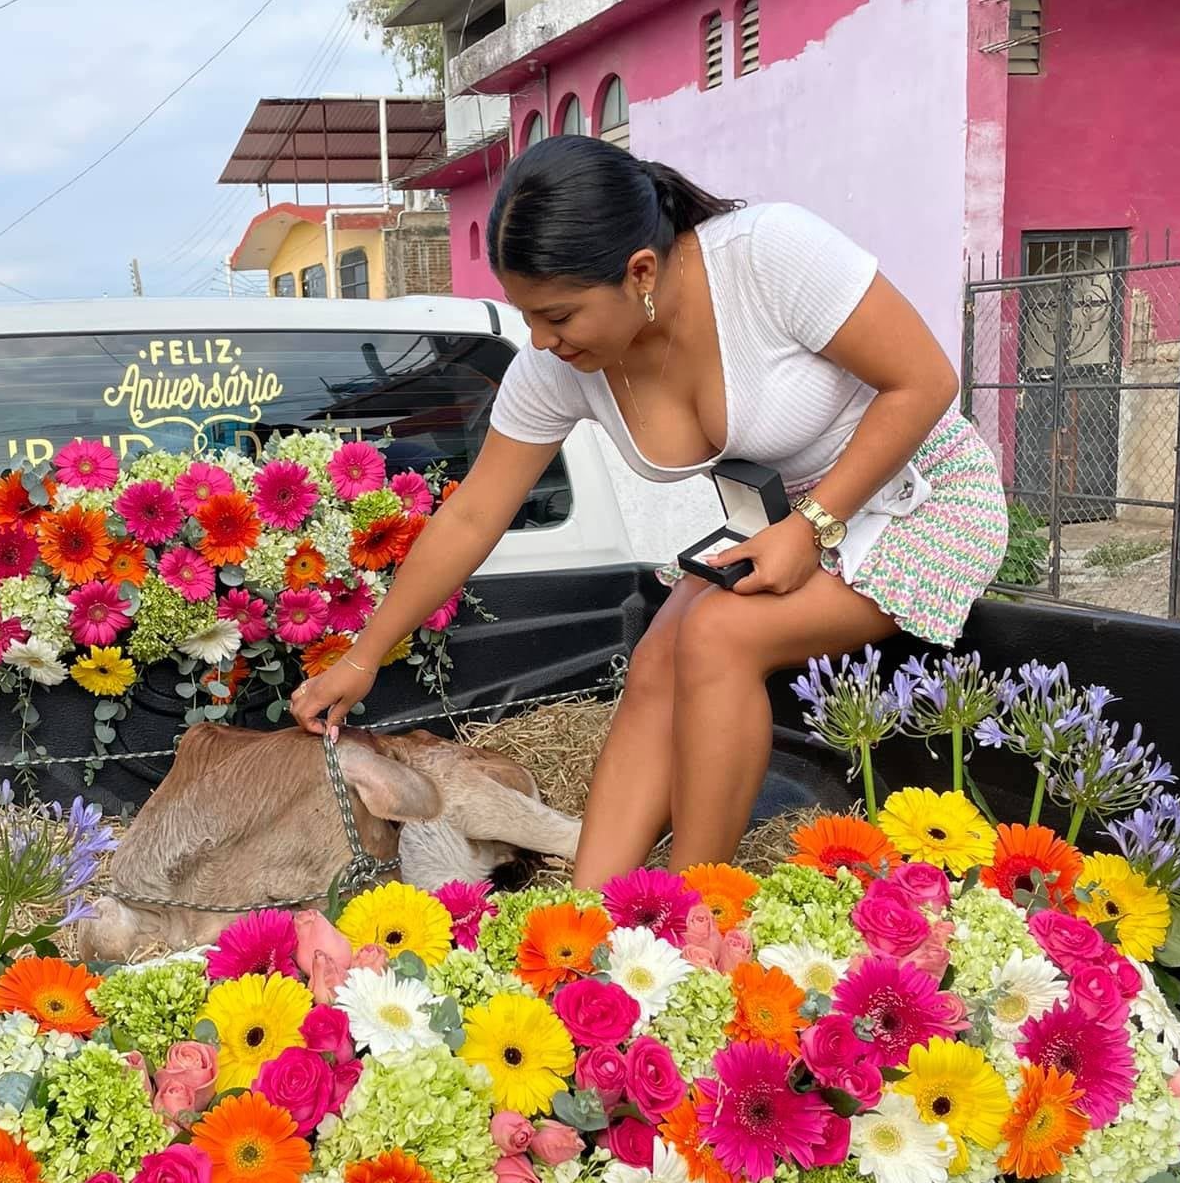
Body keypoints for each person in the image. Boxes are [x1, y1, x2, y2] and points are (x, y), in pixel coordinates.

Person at [290, 136, 1009, 884]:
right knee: (659, 653)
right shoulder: (558, 365)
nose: (540, 339)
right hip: (792, 521)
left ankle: (695, 913)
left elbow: (924, 383)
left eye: (559, 314)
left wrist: (812, 526)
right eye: (527, 314)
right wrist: (363, 656)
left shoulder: (770, 253)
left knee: (718, 634)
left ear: (639, 272)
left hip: (922, 497)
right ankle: (595, 909)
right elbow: (472, 516)